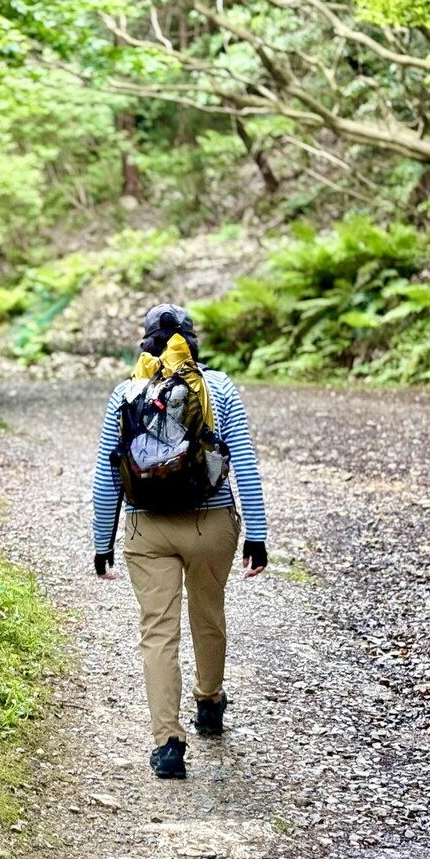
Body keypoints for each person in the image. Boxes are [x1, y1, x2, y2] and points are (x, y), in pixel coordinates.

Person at [90, 304, 267, 780]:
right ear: (192, 342)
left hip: (146, 526)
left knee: (157, 631)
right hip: (210, 525)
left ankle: (168, 743)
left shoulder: (126, 391)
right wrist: (258, 534)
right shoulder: (218, 386)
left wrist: (101, 541)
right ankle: (209, 703)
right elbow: (243, 462)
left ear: (146, 342)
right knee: (207, 613)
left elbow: (109, 473)